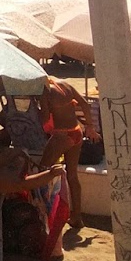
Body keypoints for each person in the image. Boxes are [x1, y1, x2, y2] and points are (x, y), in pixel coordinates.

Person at [39, 76, 97, 230]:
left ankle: (46, 213)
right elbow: (84, 104)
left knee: (42, 171)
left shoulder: (45, 92)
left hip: (62, 135)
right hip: (76, 131)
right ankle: (77, 216)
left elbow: (44, 118)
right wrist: (90, 126)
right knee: (72, 175)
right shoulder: (66, 85)